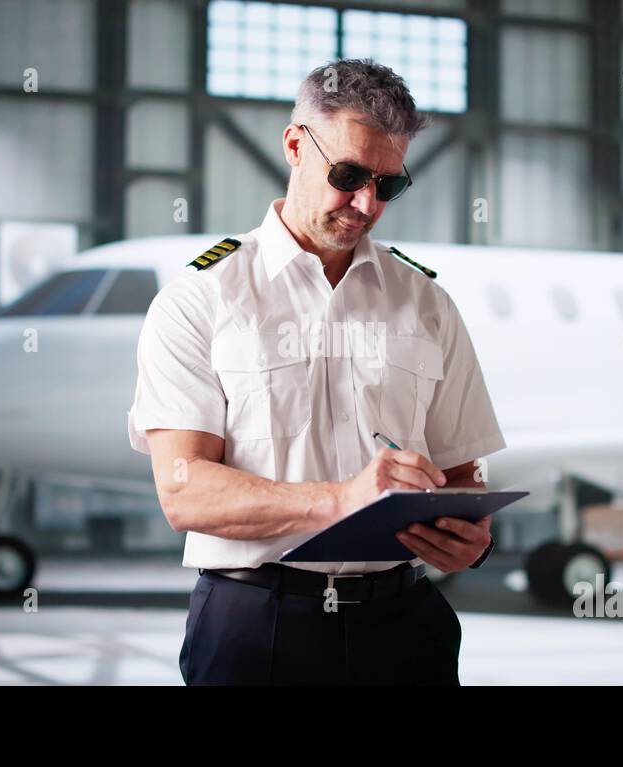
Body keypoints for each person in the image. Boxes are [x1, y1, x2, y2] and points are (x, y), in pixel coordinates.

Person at [127, 59, 505, 685]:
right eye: (349, 175)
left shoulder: (427, 304)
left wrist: (471, 538)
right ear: (296, 145)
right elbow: (184, 488)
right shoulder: (201, 298)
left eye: (387, 185)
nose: (365, 204)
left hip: (405, 628)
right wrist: (343, 500)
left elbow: (463, 476)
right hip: (256, 628)